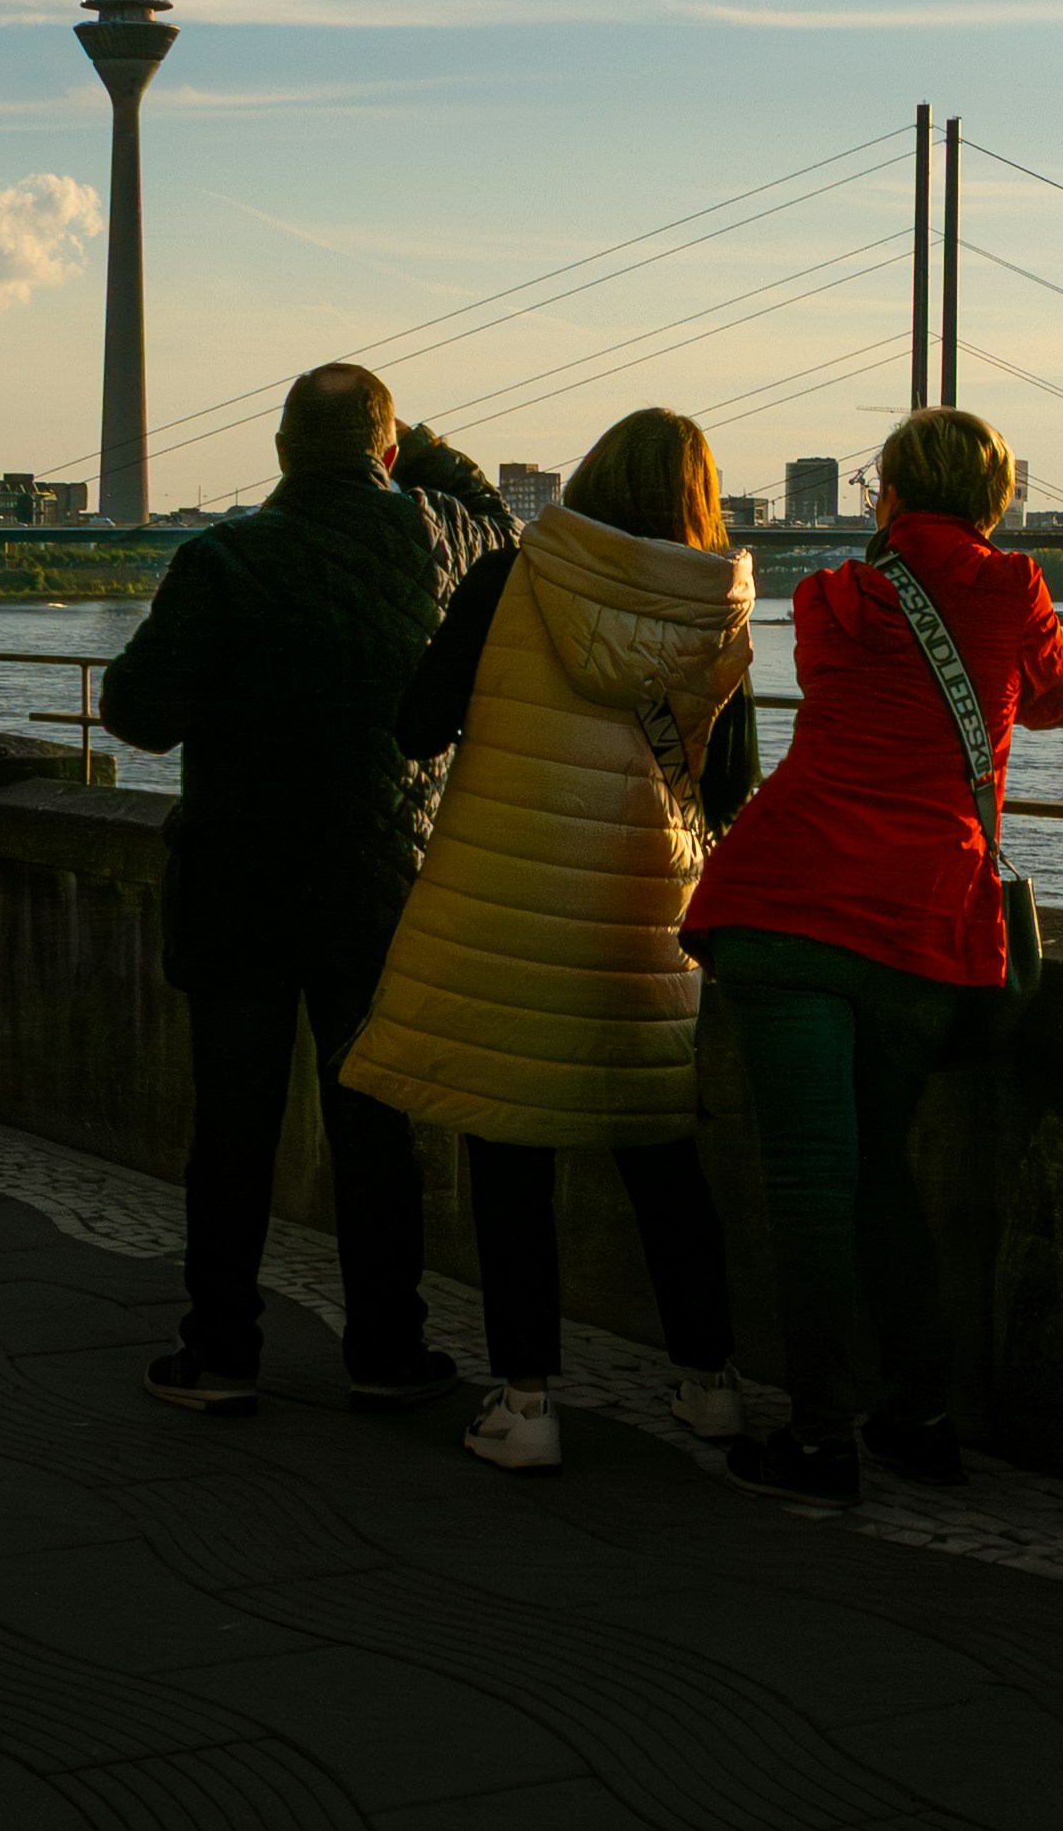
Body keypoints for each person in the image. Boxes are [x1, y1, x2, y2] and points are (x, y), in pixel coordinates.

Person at [343, 406, 763, 1473]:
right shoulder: (722, 616)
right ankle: (712, 1386)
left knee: (509, 1153)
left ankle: (526, 1404)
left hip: (509, 906)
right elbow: (729, 792)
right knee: (663, 1154)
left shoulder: (508, 580)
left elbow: (416, 726)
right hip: (645, 917)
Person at [100, 363, 514, 1419]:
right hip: (381, 891)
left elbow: (138, 712)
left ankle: (221, 1352)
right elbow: (502, 525)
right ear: (386, 451)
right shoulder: (444, 538)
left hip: (238, 883)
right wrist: (417, 441)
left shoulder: (220, 557)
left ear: (281, 453)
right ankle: (385, 1349)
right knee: (375, 1129)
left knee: (233, 1128)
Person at [685, 406, 1063, 1506]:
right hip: (922, 923)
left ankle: (818, 1439)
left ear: (888, 494)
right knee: (881, 1173)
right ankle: (920, 1411)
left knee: (811, 1176)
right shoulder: (1016, 587)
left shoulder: (833, 597)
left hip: (790, 904)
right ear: (996, 497)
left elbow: (837, 690)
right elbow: (1054, 701)